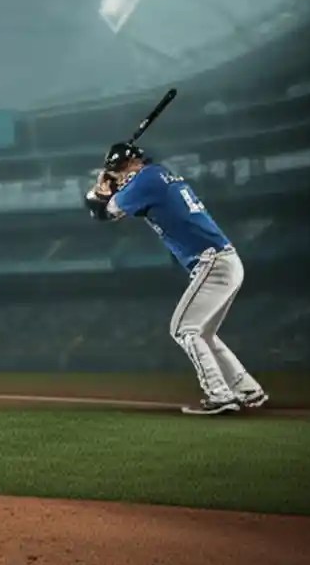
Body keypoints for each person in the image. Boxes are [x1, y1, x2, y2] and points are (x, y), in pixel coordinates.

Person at [85, 142, 269, 416]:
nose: (121, 176)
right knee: (204, 333)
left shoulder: (144, 181)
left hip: (213, 262)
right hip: (224, 260)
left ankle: (219, 395)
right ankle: (248, 389)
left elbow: (104, 213)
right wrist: (112, 185)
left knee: (184, 329)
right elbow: (113, 206)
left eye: (122, 170)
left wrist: (99, 190)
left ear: (134, 164)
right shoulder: (158, 175)